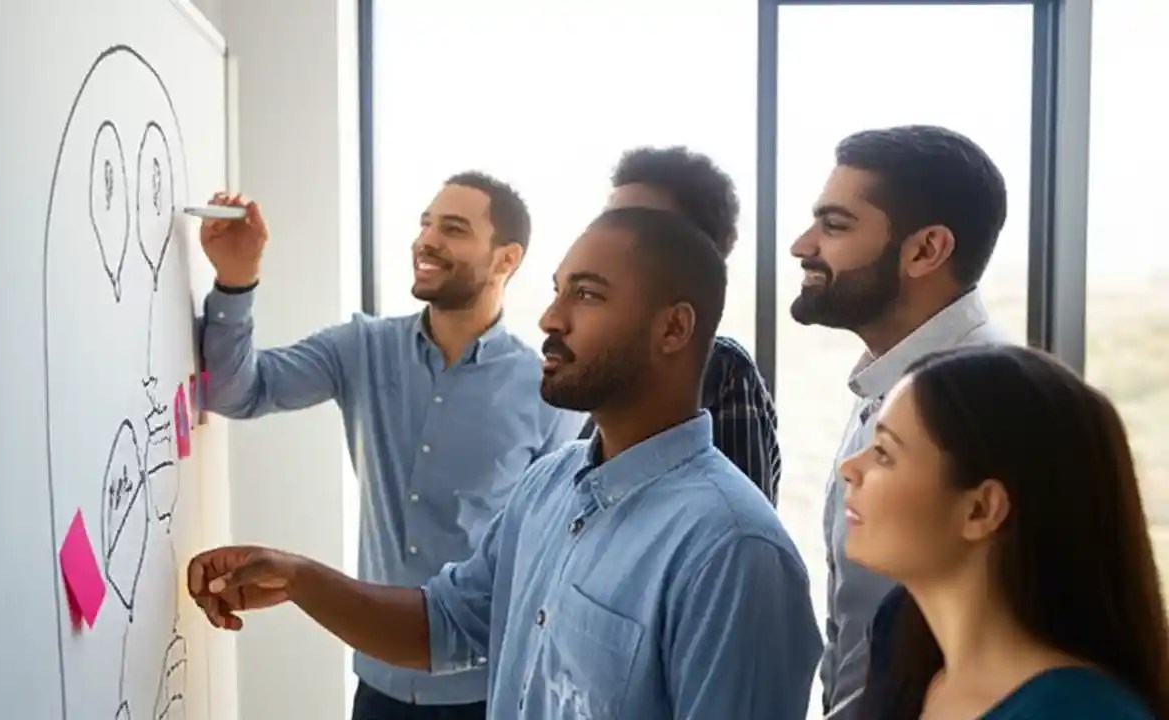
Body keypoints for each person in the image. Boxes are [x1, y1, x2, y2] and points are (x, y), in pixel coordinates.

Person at [187, 207, 823, 719]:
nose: (551, 318)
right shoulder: (550, 486)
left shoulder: (735, 554)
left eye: (588, 295)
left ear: (674, 329)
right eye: (556, 292)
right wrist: (296, 577)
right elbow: (447, 624)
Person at [196, 173, 585, 718]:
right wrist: (236, 281)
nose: (426, 240)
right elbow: (236, 392)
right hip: (377, 687)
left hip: (489, 691)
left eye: (453, 228)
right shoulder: (363, 348)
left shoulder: (547, 390)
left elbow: (546, 553)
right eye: (425, 223)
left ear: (506, 259)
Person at [789, 125, 1015, 718]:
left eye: (834, 226)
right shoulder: (886, 381)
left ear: (925, 250)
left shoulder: (984, 402)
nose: (801, 245)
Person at [846, 345, 1169, 719]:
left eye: (884, 453)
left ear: (981, 509)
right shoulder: (900, 640)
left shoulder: (1084, 712)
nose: (850, 468)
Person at [580, 146, 781, 506]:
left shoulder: (721, 369)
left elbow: (733, 528)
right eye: (609, 220)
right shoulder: (606, 364)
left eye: (636, 225)